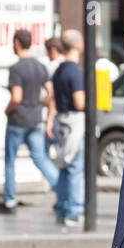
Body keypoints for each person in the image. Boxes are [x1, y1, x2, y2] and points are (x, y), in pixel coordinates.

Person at [1, 29, 58, 213]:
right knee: (40, 158)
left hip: (18, 121)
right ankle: (63, 191)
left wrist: (7, 110)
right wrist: (41, 104)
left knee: (10, 161)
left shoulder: (16, 69)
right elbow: (51, 92)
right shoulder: (39, 66)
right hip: (35, 120)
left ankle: (10, 202)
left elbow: (16, 98)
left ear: (17, 43)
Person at [46, 29, 85, 227]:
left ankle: (62, 208)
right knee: (76, 168)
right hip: (75, 123)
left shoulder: (59, 70)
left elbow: (52, 98)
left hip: (61, 122)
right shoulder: (76, 71)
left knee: (62, 167)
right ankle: (75, 211)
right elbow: (79, 102)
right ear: (79, 45)